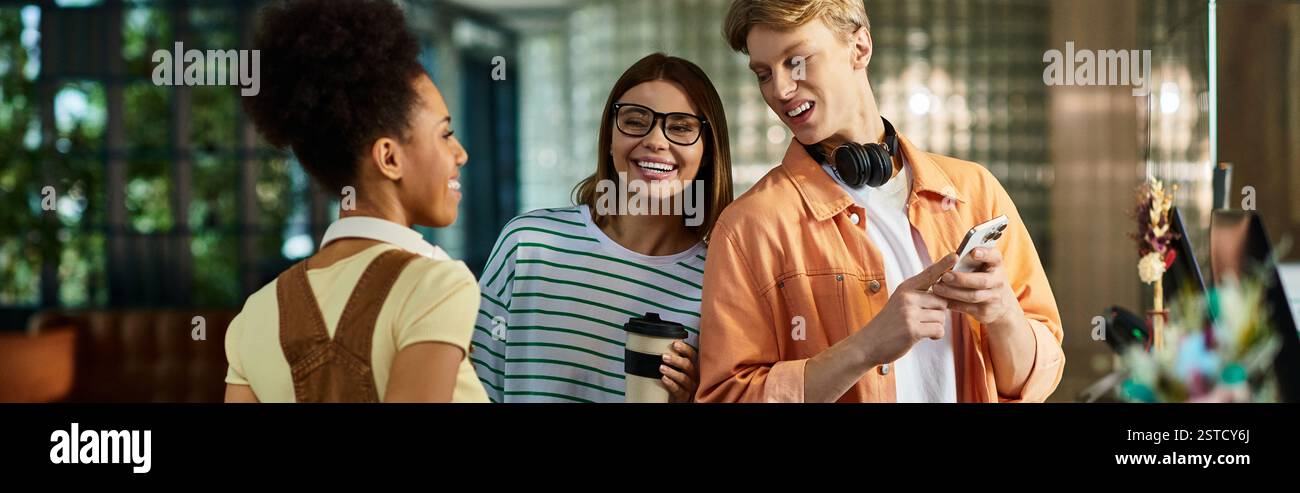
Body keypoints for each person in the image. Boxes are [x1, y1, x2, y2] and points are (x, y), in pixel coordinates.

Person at [696, 0, 1064, 403]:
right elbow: (726, 396)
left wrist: (1002, 315)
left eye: (796, 62)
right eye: (764, 73)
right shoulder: (749, 226)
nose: (780, 90)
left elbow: (1034, 380)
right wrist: (864, 348)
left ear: (860, 48)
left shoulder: (975, 191)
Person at [223, 0, 487, 403]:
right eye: (445, 134)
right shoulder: (437, 285)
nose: (460, 153)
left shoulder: (254, 317)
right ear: (390, 158)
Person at [471, 53, 733, 403]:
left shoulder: (719, 283)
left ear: (708, 152)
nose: (656, 140)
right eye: (636, 121)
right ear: (610, 139)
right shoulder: (528, 243)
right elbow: (471, 387)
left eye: (681, 127)